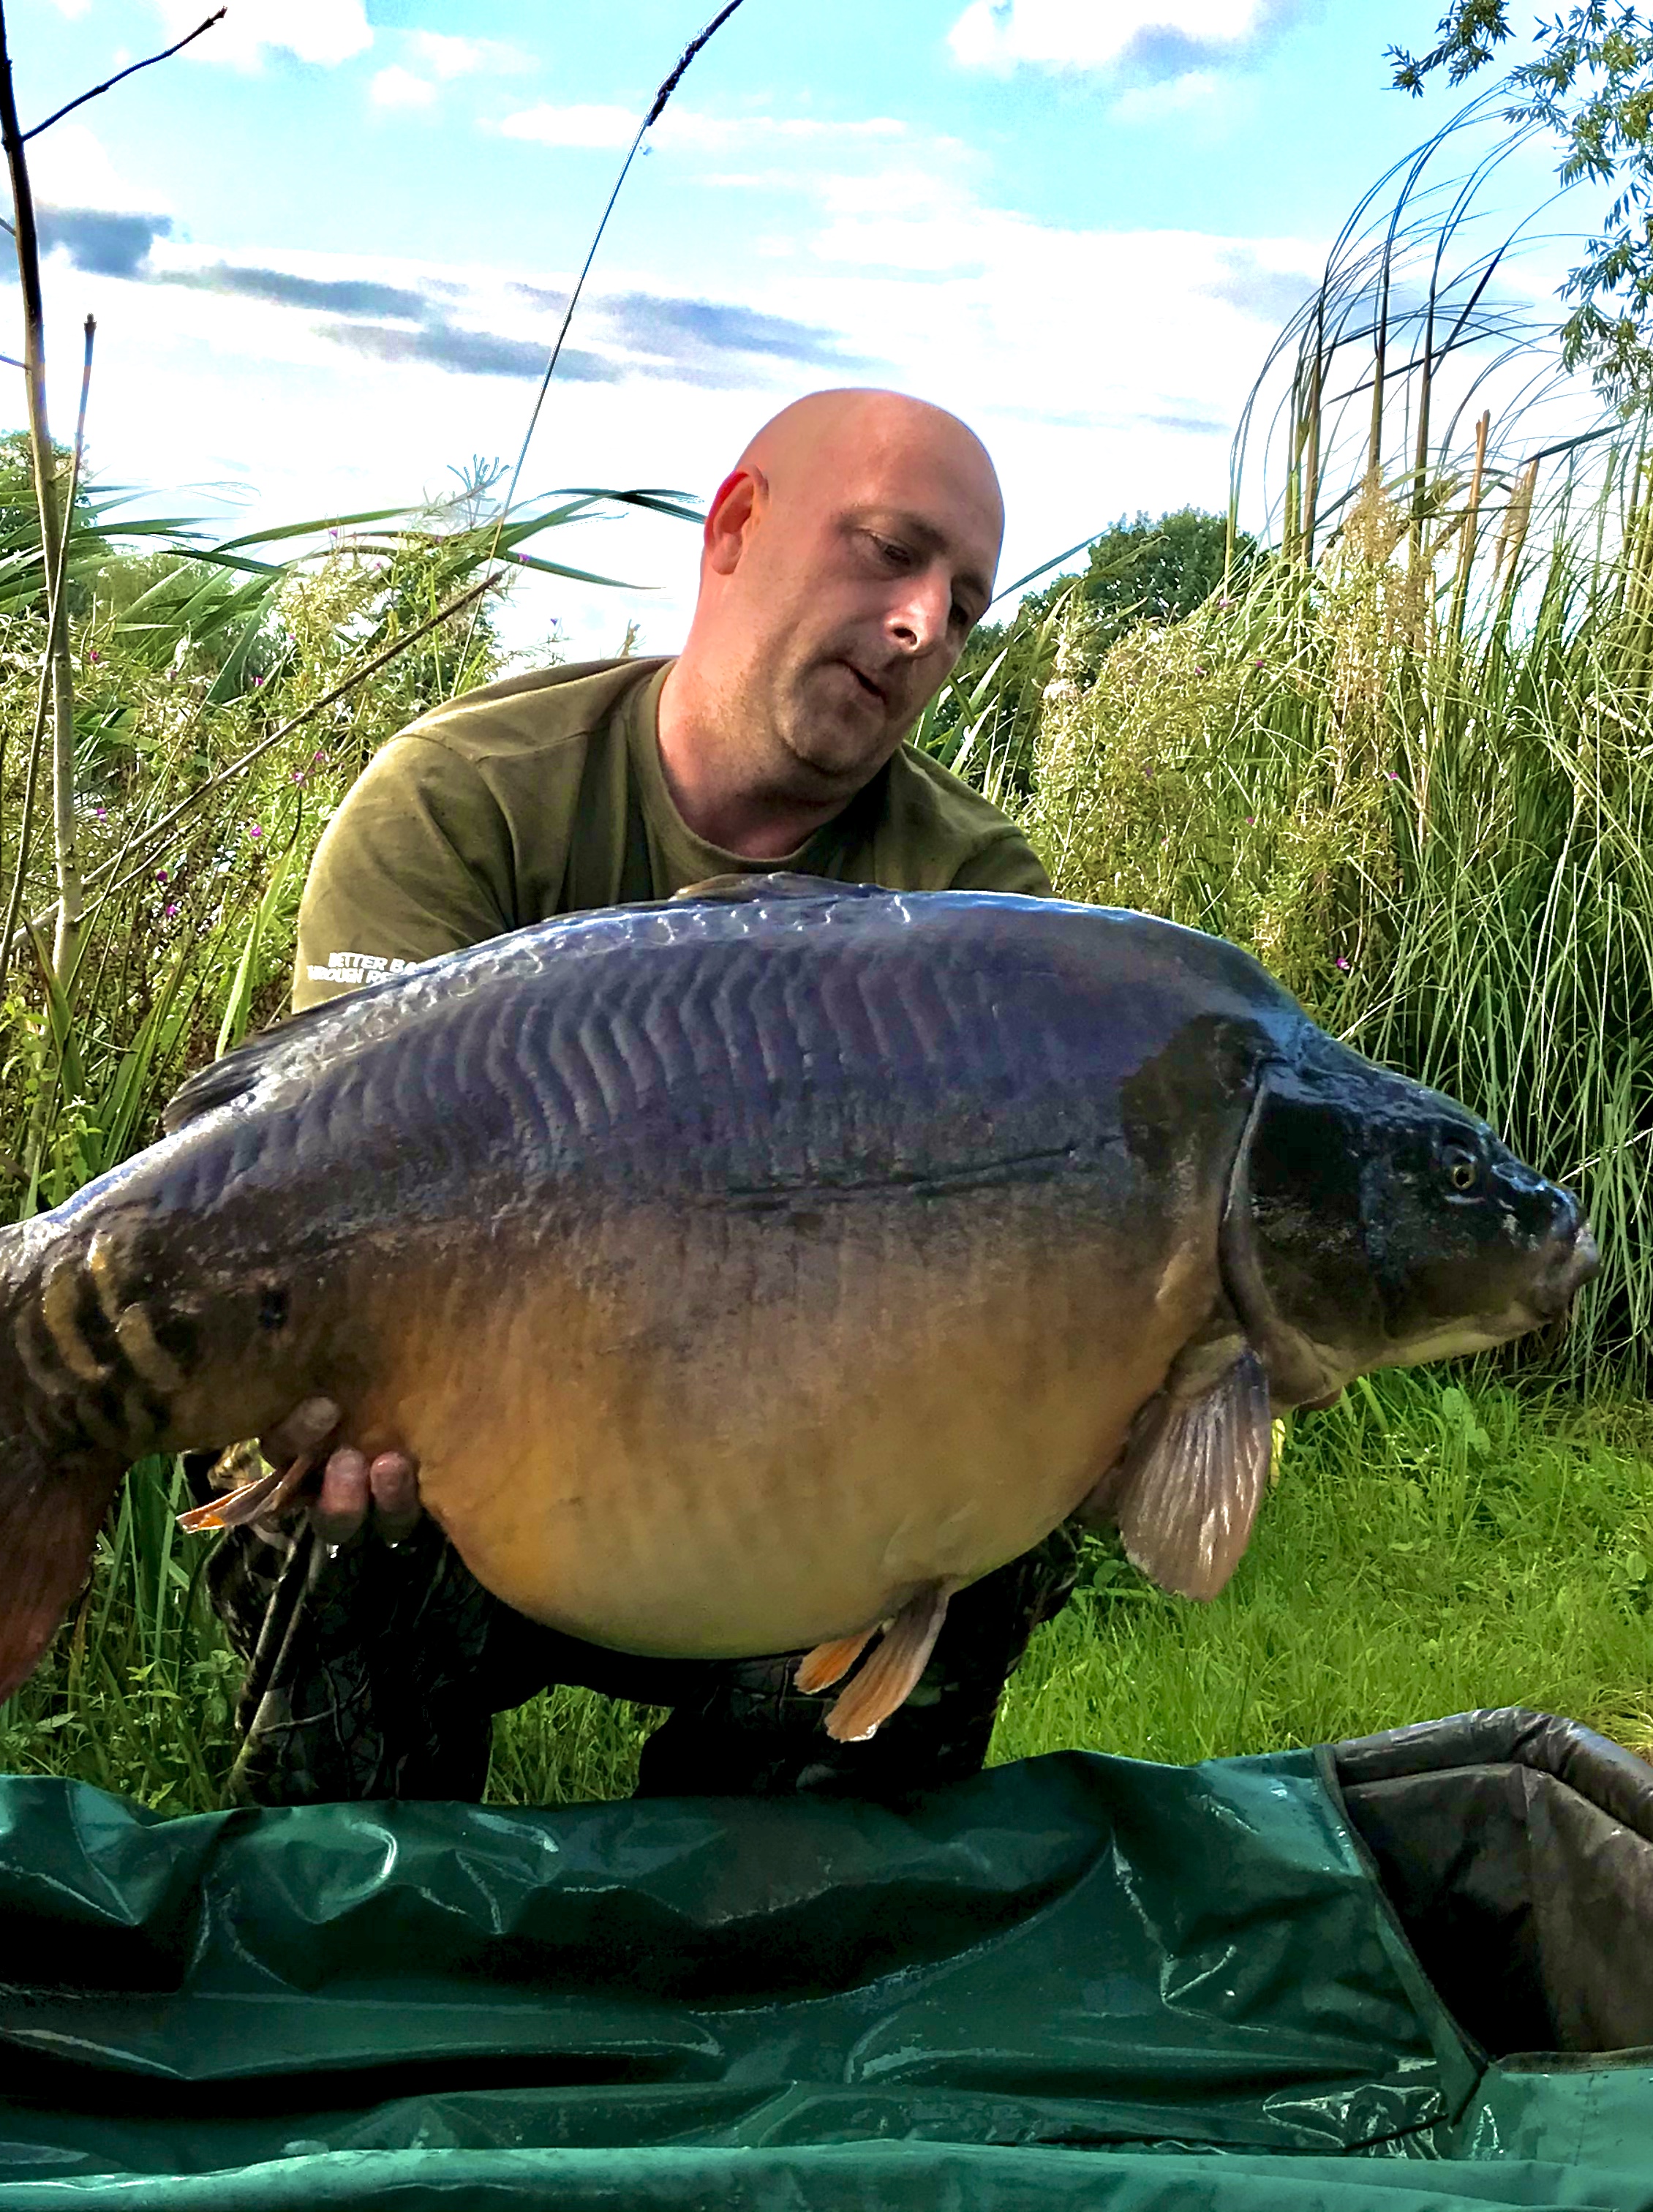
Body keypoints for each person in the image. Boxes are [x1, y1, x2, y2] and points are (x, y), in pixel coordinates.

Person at [191, 388, 1080, 1805]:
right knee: (323, 1498)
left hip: (795, 1490)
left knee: (991, 1524)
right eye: (886, 552)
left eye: (963, 606)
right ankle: (367, 1939)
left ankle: (767, 1944)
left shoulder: (983, 910)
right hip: (462, 1470)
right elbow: (325, 1195)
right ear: (735, 527)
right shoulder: (460, 799)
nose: (921, 626)